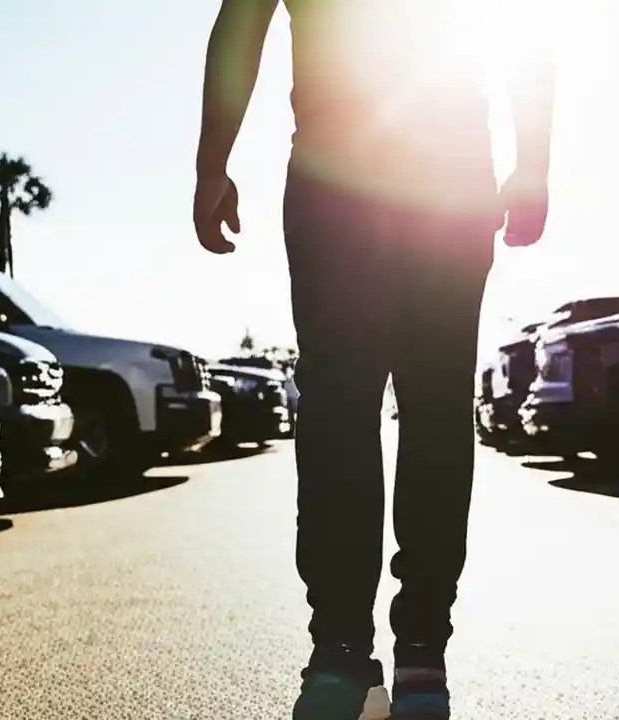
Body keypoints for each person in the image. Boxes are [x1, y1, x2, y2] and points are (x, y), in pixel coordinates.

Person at [193, 2, 554, 718]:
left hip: (402, 176)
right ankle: (379, 650)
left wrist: (213, 164)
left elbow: (241, 24)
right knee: (397, 409)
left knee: (362, 409)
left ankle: (370, 651)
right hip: (394, 178)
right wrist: (532, 162)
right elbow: (243, 19)